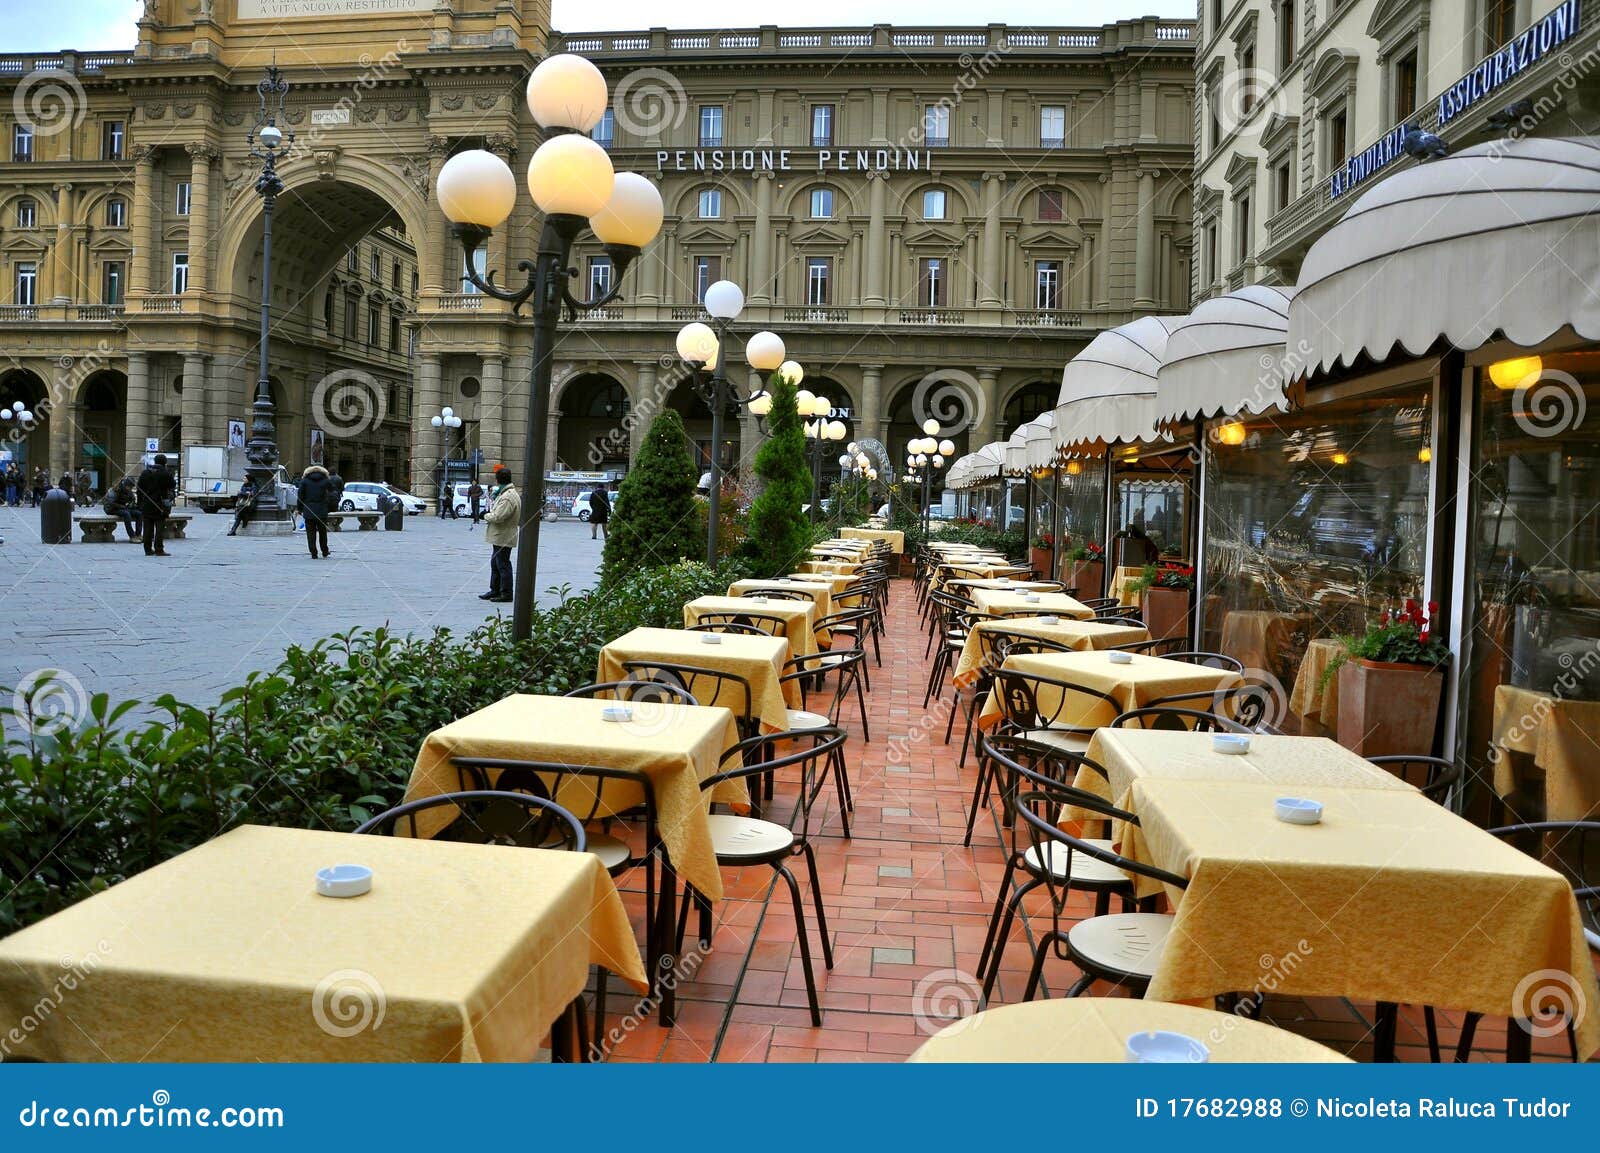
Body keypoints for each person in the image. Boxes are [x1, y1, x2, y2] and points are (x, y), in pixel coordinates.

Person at [479, 465, 518, 603]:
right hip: (501, 535)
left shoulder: (507, 497)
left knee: (502, 564)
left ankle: (506, 593)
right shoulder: (505, 493)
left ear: (498, 480)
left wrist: (485, 515)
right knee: (496, 563)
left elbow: (498, 516)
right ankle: (495, 589)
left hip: (504, 535)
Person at [135, 454, 175, 557]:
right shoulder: (166, 473)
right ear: (165, 462)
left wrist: (139, 503)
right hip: (160, 504)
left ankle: (147, 549)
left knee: (147, 528)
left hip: (147, 504)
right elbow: (172, 486)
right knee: (159, 528)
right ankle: (159, 549)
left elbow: (139, 490)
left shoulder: (145, 472)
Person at [297, 464, 333, 559]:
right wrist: (329, 506)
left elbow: (300, 496)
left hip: (309, 511)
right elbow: (333, 492)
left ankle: (313, 552)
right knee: (323, 532)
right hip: (322, 510)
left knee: (310, 533)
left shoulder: (304, 481)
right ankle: (325, 551)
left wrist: (299, 508)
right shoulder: (326, 480)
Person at [103, 475, 141, 541]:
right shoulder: (115, 489)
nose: (130, 489)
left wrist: (132, 504)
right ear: (125, 485)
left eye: (131, 487)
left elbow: (132, 500)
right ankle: (132, 536)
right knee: (127, 514)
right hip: (111, 508)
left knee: (139, 514)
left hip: (123, 507)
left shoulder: (129, 491)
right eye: (129, 487)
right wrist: (122, 506)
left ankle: (138, 534)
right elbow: (111, 503)